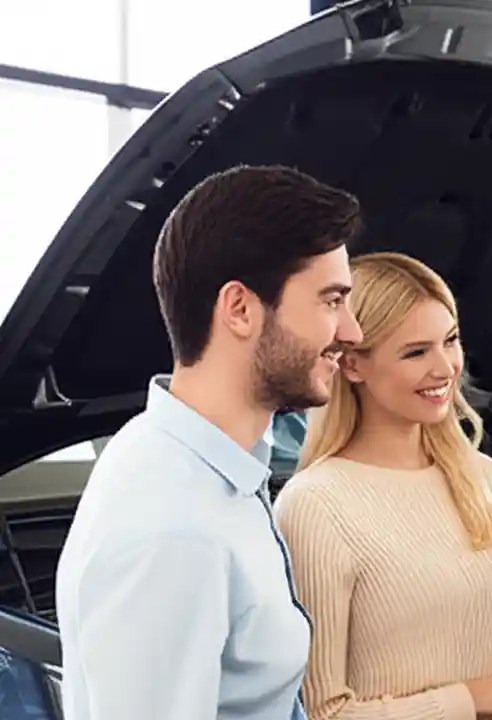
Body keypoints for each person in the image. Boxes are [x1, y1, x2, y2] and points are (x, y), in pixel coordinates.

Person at [54, 164, 366, 719]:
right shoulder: (172, 531)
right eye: (331, 300)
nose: (353, 332)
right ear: (240, 309)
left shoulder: (203, 463)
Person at [273, 251, 492, 720]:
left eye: (450, 340)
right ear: (354, 365)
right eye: (416, 352)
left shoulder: (478, 475)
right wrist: (478, 698)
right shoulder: (315, 506)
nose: (445, 368)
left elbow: (478, 598)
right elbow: (324, 713)